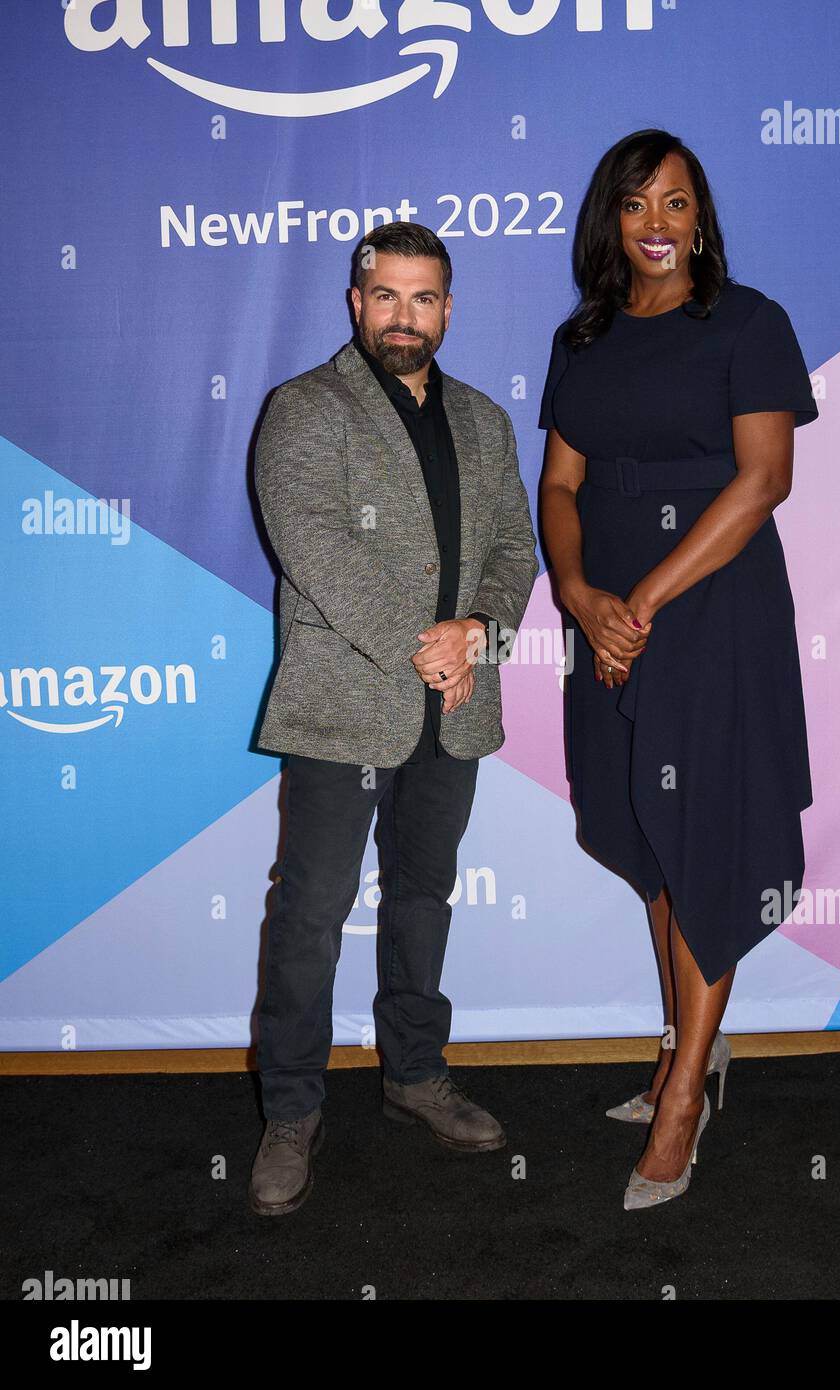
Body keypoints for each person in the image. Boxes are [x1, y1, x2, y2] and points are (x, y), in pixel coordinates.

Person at [538, 129, 819, 1210]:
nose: (654, 224)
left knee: (704, 831)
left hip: (708, 610)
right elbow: (559, 486)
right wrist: (578, 596)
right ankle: (684, 1046)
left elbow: (760, 484)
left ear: (700, 216)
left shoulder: (747, 324)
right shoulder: (585, 337)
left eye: (674, 203)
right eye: (633, 205)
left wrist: (641, 603)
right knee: (649, 830)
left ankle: (681, 1101)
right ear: (609, 221)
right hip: (602, 607)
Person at [250, 221, 538, 1216]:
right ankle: (290, 1110)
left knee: (422, 896)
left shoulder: (484, 421)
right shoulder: (304, 407)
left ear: (447, 310)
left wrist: (479, 632)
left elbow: (513, 547)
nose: (403, 316)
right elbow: (311, 546)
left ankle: (415, 1076)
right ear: (354, 301)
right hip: (342, 707)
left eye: (423, 299)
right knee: (310, 913)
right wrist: (425, 640)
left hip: (451, 712)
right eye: (386, 296)